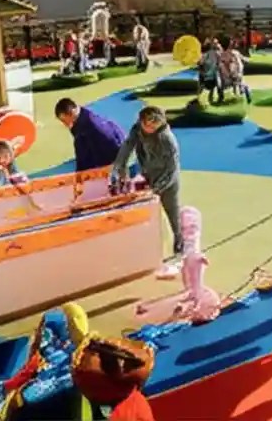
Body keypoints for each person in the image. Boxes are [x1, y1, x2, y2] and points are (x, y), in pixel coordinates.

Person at [112, 106, 183, 276]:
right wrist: (120, 166)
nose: (150, 130)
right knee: (145, 214)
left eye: (153, 127)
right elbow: (127, 146)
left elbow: (171, 170)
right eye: (147, 126)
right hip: (148, 172)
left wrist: (155, 189)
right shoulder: (138, 129)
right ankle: (144, 250)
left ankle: (180, 247)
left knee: (173, 214)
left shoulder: (168, 140)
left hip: (167, 181)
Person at [54, 98, 127, 173]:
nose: (64, 124)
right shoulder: (81, 122)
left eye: (63, 120)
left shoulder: (93, 126)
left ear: (72, 113)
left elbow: (113, 145)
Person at [197, 39, 223, 105]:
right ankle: (200, 98)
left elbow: (219, 61)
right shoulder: (207, 54)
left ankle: (213, 98)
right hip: (207, 73)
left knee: (214, 85)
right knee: (205, 86)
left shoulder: (216, 53)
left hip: (212, 73)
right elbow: (200, 63)